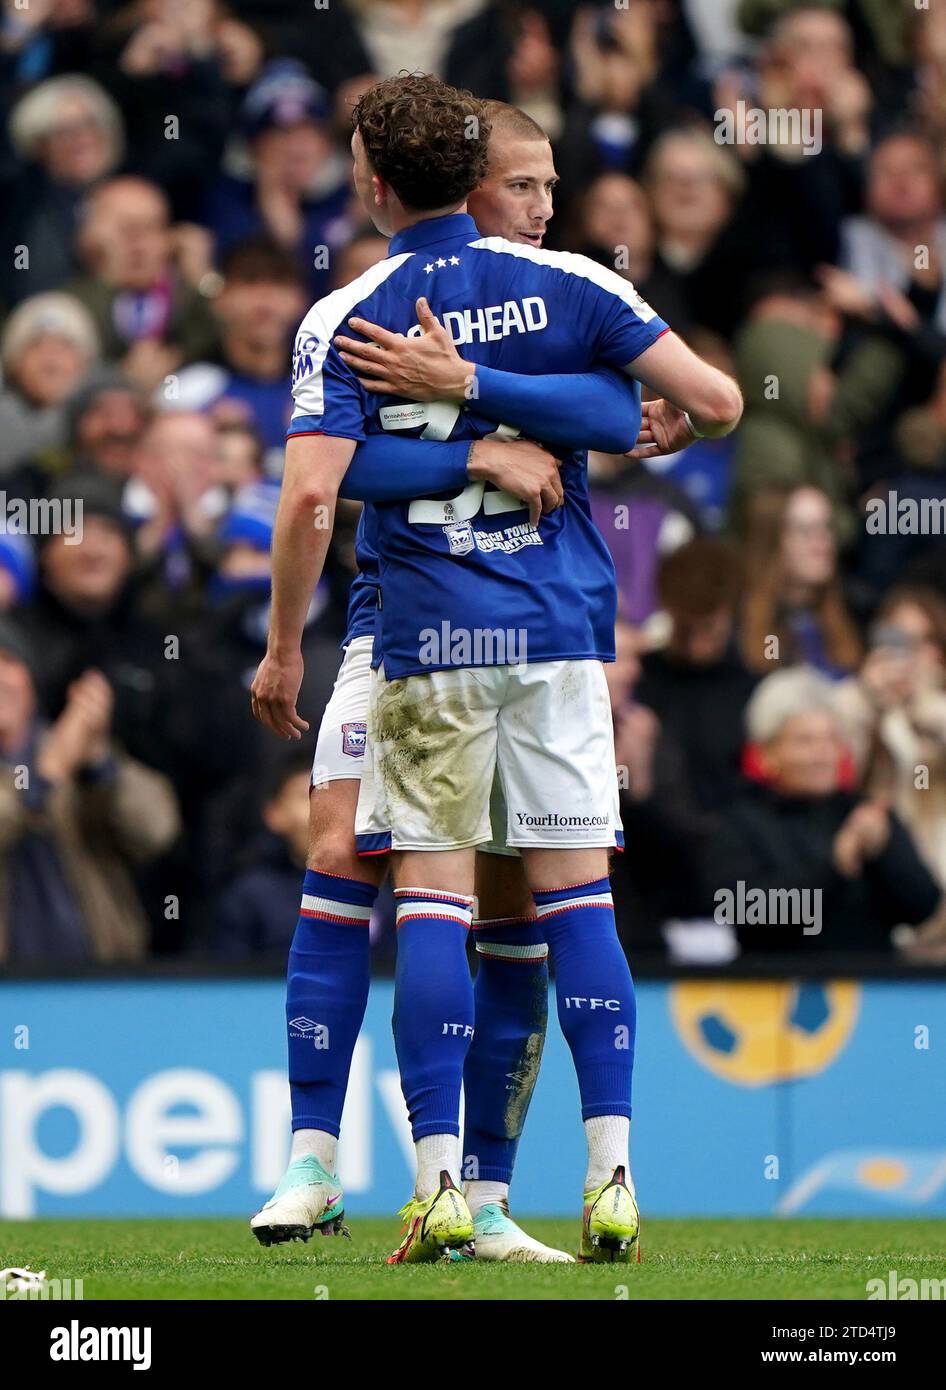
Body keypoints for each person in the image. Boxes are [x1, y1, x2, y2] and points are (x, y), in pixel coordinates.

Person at [251, 75, 742, 1264]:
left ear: (372, 183)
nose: (539, 205)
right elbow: (696, 407)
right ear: (472, 184)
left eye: (548, 190)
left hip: (443, 635)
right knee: (370, 855)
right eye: (523, 185)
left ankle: (468, 1189)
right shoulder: (567, 296)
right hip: (475, 629)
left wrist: (473, 391)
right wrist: (486, 440)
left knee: (470, 898)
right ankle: (338, 1164)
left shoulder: (385, 307)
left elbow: (320, 481)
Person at [706, 666, 943, 955]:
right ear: (767, 753)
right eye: (805, 741)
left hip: (873, 992)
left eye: (831, 739)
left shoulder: (864, 813)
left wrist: (885, 852)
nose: (823, 754)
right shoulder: (738, 822)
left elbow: (922, 907)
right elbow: (744, 912)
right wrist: (837, 866)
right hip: (773, 992)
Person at [0, 621, 180, 964]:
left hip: (99, 984)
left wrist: (100, 763)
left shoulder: (78, 753)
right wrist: (47, 773)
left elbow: (156, 831)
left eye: (8, 661)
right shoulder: (60, 754)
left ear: (32, 681)